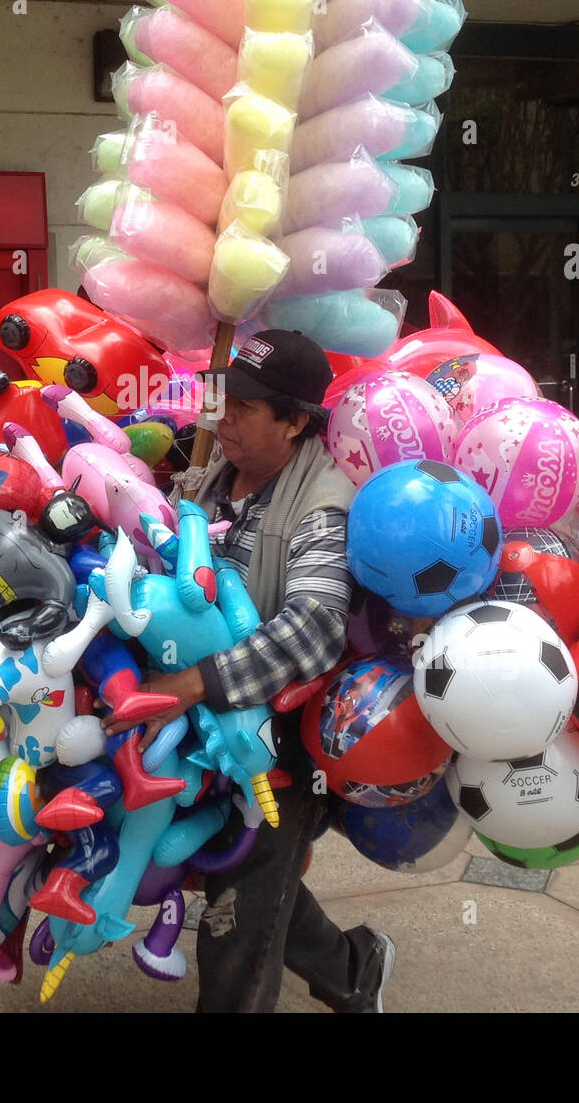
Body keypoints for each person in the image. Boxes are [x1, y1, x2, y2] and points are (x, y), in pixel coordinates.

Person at [101, 329, 395, 1013]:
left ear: (296, 421)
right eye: (222, 399)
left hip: (279, 735)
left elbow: (316, 629)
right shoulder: (208, 478)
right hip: (202, 730)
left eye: (247, 407)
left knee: (232, 918)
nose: (223, 417)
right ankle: (354, 968)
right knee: (235, 872)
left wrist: (193, 683)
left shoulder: (323, 503)